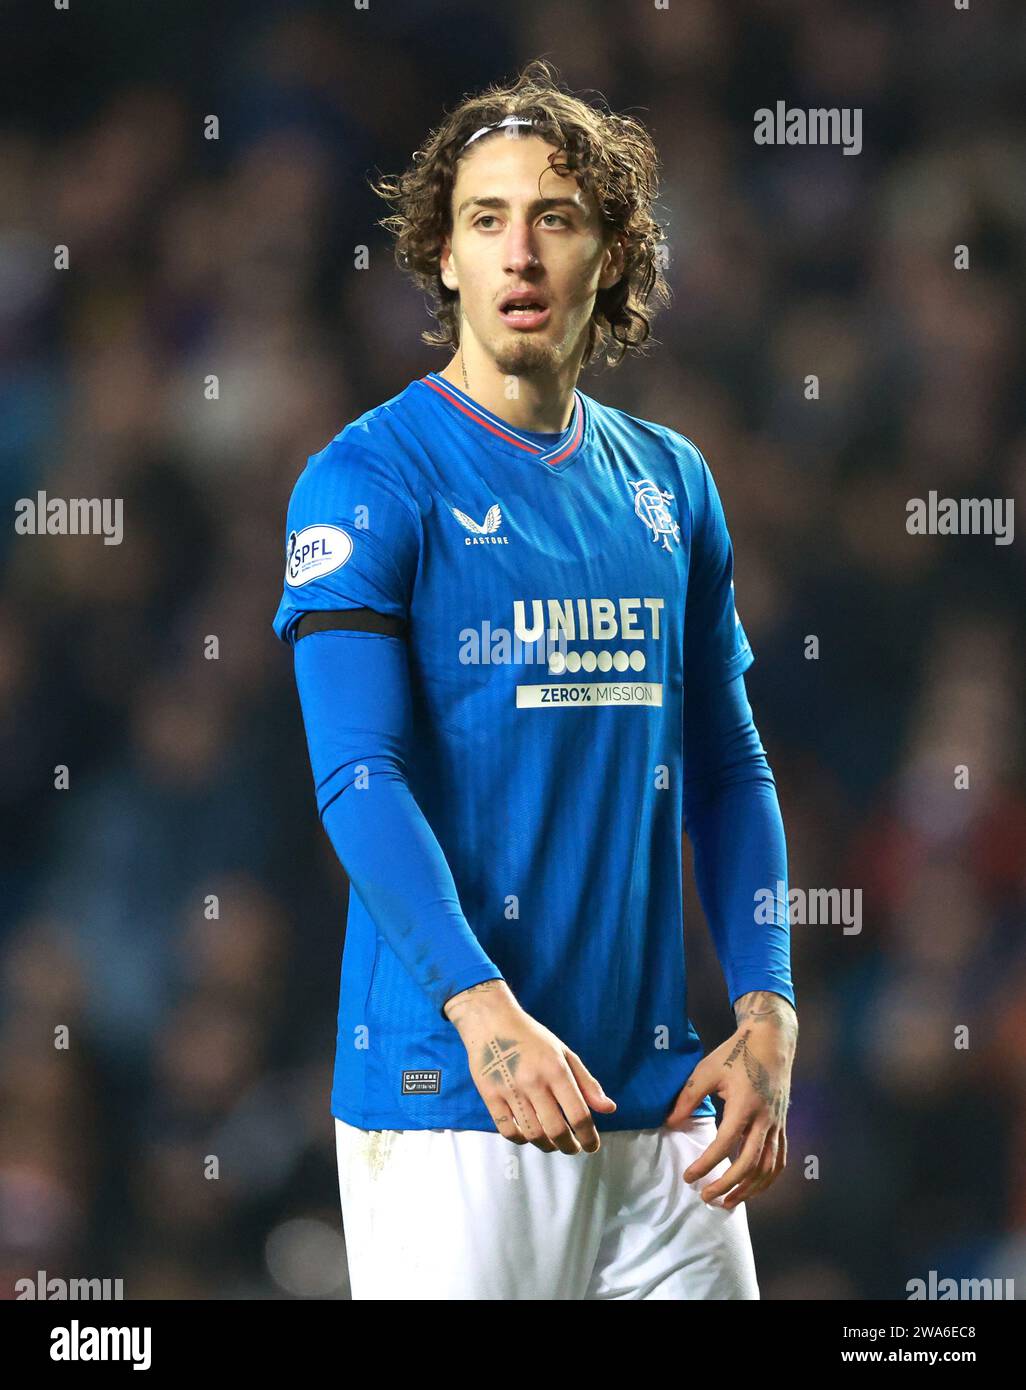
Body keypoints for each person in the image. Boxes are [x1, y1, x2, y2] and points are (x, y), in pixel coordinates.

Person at [272, 59, 797, 1300]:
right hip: (455, 1096)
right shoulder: (367, 482)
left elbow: (730, 769)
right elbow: (358, 776)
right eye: (485, 220)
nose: (520, 253)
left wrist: (769, 1006)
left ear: (610, 254)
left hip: (659, 1107)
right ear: (441, 257)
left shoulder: (672, 482)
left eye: (554, 218)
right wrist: (481, 1008)